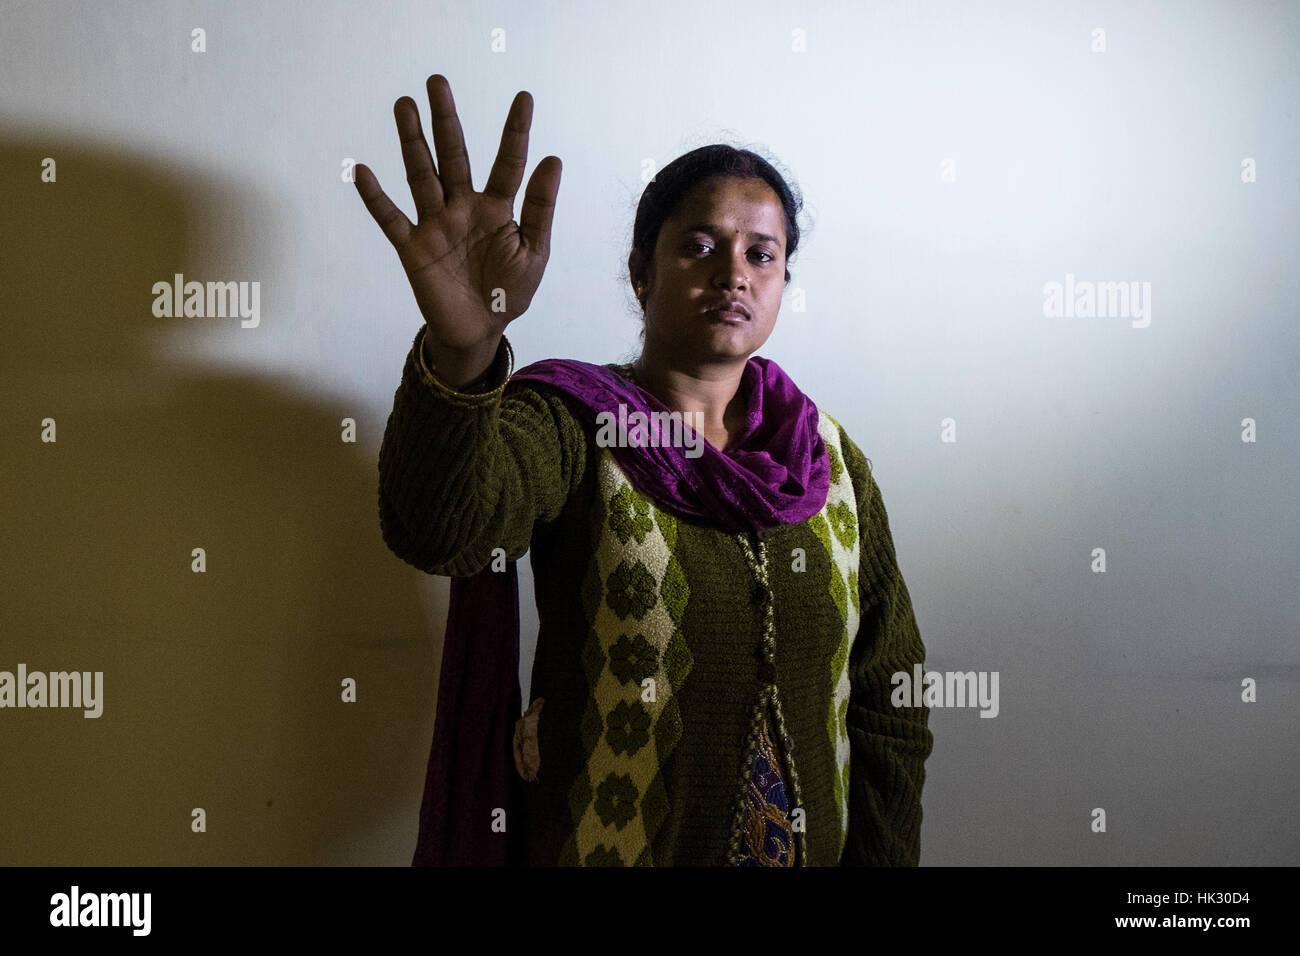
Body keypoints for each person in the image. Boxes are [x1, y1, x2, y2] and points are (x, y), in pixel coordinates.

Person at [356, 74, 934, 866]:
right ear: (640, 273)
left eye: (761, 254)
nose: (734, 271)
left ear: (781, 285)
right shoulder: (574, 423)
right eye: (699, 245)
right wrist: (465, 350)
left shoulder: (828, 461)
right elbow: (441, 529)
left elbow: (888, 699)